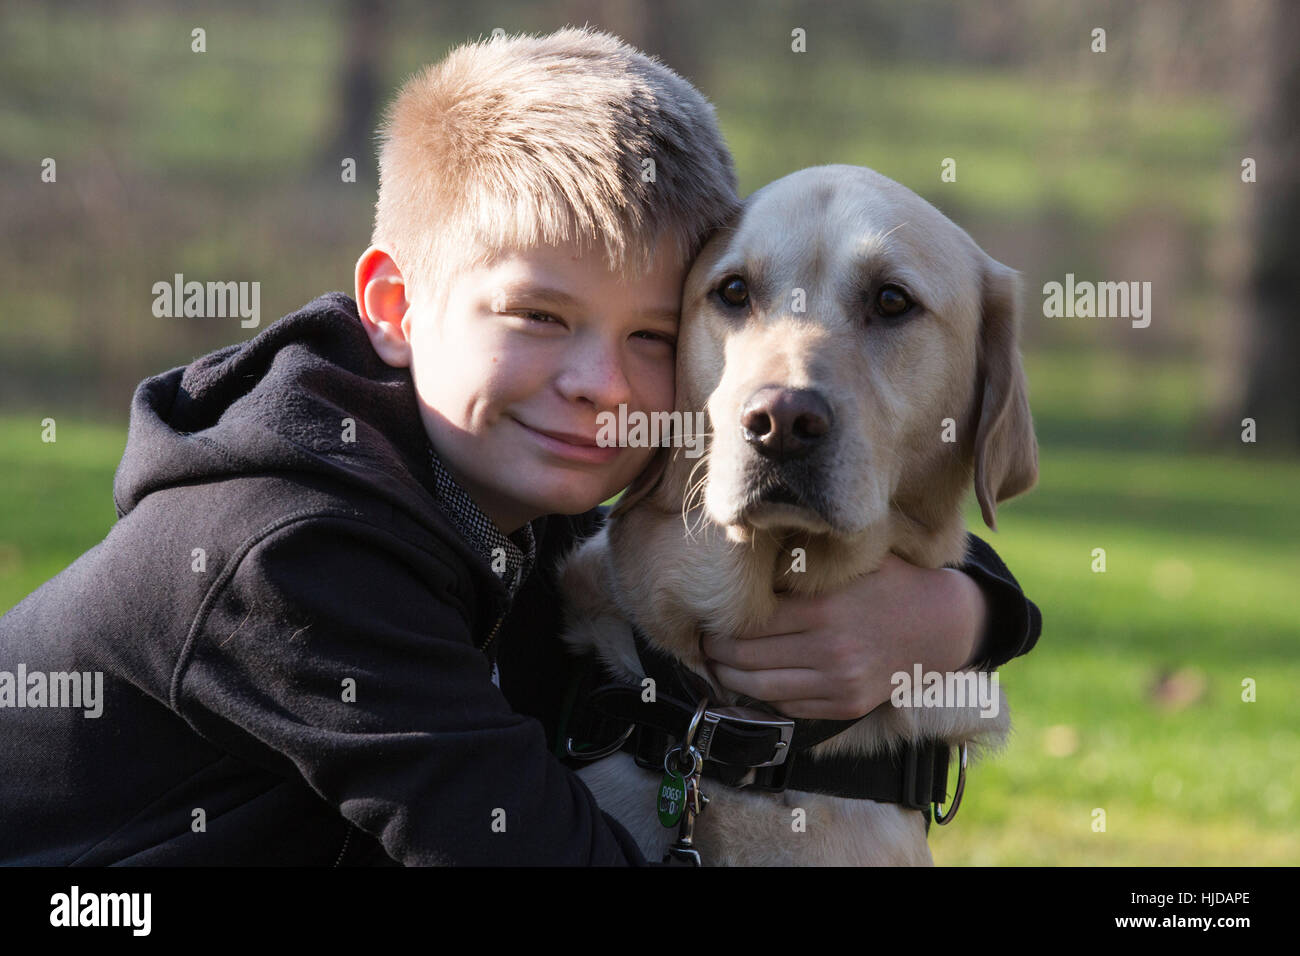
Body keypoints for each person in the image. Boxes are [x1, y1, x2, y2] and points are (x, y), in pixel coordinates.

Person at [0, 27, 1039, 866]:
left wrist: (960, 608)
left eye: (647, 335)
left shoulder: (525, 513)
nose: (595, 380)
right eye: (538, 316)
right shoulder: (285, 558)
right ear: (394, 306)